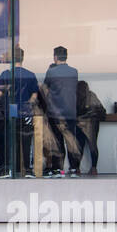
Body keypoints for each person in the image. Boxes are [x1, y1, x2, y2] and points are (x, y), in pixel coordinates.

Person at [42, 46, 87, 176]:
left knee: (57, 142)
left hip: (55, 113)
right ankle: (74, 169)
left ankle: (58, 169)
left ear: (55, 57)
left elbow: (45, 89)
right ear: (66, 56)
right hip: (71, 113)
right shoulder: (74, 72)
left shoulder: (51, 72)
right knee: (71, 141)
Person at [0, 47, 39, 176]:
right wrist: (27, 104)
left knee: (11, 142)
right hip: (26, 112)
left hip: (11, 112)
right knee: (26, 142)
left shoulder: (5, 74)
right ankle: (28, 170)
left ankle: (13, 170)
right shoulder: (30, 74)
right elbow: (34, 96)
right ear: (23, 58)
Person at [76, 80, 106, 175]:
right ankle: (94, 169)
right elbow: (101, 110)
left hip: (79, 123)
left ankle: (76, 169)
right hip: (92, 123)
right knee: (93, 146)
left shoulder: (74, 96)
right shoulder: (91, 95)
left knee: (79, 146)